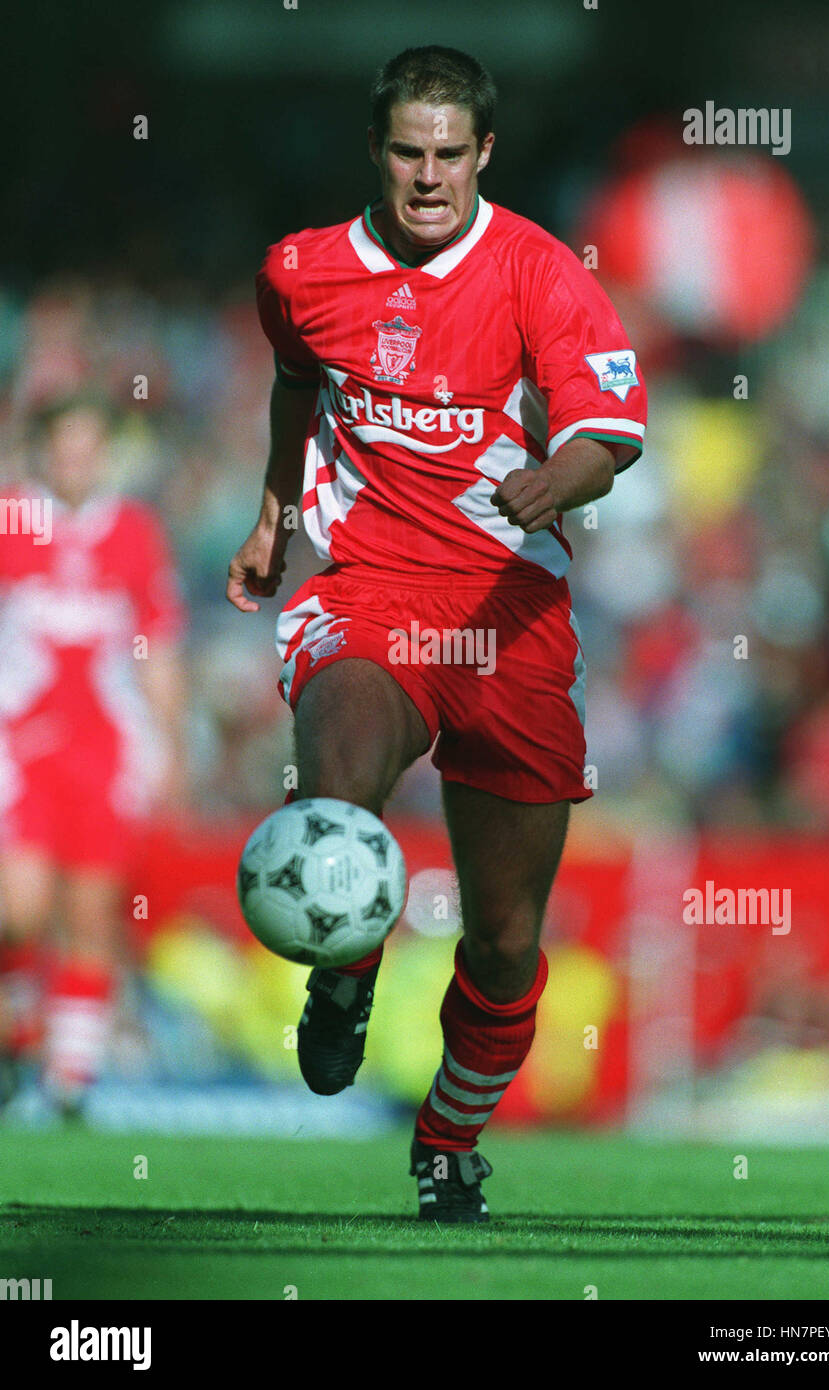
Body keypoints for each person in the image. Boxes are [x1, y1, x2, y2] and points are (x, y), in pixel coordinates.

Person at [227, 46, 646, 1220]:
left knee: (507, 938)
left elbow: (608, 432)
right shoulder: (302, 272)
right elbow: (294, 383)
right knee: (339, 785)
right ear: (377, 151)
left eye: (448, 154)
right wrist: (273, 513)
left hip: (508, 614)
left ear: (484, 156)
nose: (427, 176)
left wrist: (555, 482)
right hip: (367, 587)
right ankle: (346, 970)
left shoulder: (543, 274)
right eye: (407, 152)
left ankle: (450, 1137)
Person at [0, 395, 187, 1114]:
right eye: (63, 446)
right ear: (42, 450)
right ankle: (19, 1028)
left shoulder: (134, 531)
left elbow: (159, 643)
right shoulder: (14, 516)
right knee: (19, 908)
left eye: (88, 447)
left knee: (88, 911)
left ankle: (70, 1081)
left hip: (106, 746)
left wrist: (168, 742)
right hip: (19, 744)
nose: (74, 461)